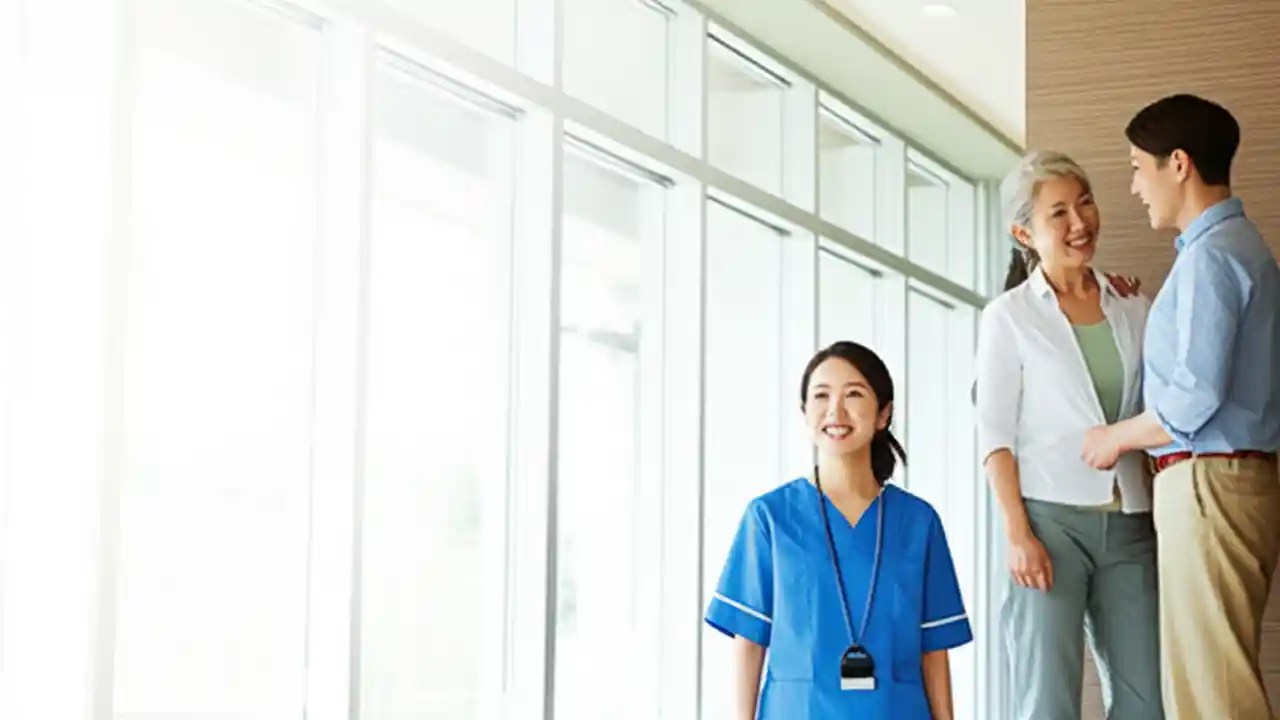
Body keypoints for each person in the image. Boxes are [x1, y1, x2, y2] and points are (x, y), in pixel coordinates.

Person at [1082, 93, 1280, 719]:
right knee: (1211, 680)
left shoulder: (1212, 257)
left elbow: (1193, 396)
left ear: (1179, 163)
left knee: (1211, 690)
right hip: (1227, 479)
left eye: (1138, 168)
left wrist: (1117, 437)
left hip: (1206, 482)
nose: (1135, 187)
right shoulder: (1233, 250)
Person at [977, 150, 1162, 719]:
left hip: (1130, 522)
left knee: (1146, 701)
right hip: (1048, 524)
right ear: (1024, 232)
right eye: (1058, 213)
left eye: (1085, 204)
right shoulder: (1008, 317)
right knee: (1047, 701)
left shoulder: (1132, 305)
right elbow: (994, 434)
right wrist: (1017, 532)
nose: (1080, 222)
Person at [704, 341, 972, 720]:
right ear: (805, 412)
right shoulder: (769, 518)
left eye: (854, 394)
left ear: (883, 414)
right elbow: (750, 643)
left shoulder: (918, 522)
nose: (836, 410)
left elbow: (934, 651)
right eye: (821, 396)